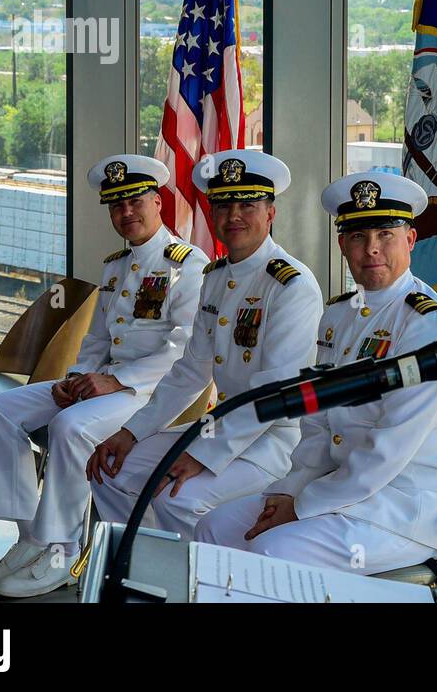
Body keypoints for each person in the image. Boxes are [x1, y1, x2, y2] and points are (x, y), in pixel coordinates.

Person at [195, 171, 437, 575]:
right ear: (343, 244)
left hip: (406, 509)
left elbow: (391, 448)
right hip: (338, 489)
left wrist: (303, 505)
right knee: (214, 529)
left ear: (410, 240)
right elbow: (318, 425)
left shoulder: (427, 325)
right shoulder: (339, 317)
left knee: (271, 554)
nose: (372, 250)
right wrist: (288, 490)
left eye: (385, 235)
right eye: (359, 237)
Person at [0, 155, 204, 598]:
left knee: (70, 426)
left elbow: (184, 346)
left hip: (151, 391)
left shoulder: (187, 264)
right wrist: (75, 376)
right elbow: (97, 339)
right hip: (105, 382)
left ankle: (62, 549)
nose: (126, 213)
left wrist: (117, 381)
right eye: (117, 206)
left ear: (158, 202)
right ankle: (30, 539)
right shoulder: (116, 265)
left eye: (136, 201)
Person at [86, 149, 321, 539]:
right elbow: (191, 369)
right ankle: (140, 567)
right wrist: (131, 432)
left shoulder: (290, 285)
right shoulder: (216, 276)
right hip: (219, 426)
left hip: (274, 438)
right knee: (113, 468)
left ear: (270, 213)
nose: (233, 217)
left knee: (179, 499)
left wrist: (201, 455)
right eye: (223, 206)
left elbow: (273, 393)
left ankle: (206, 583)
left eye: (247, 205)